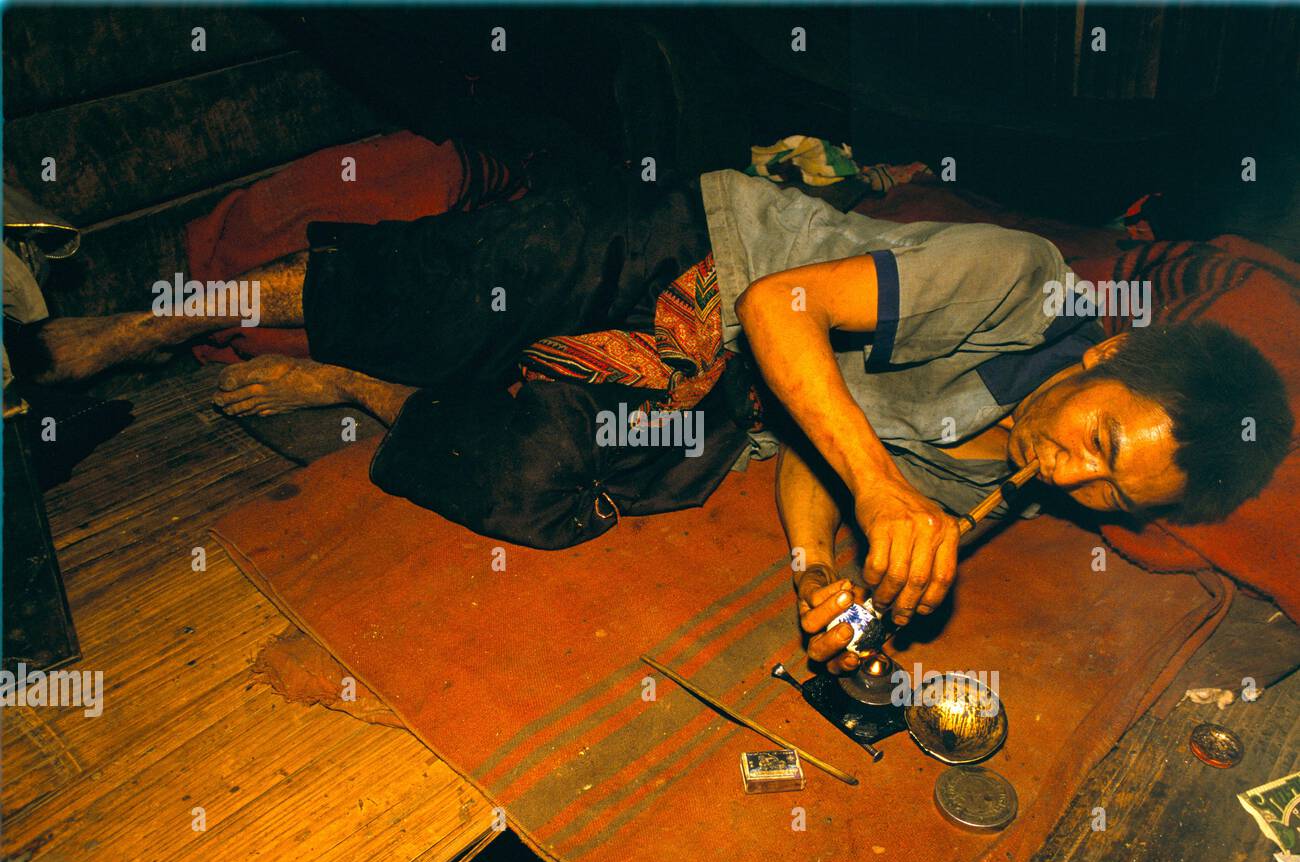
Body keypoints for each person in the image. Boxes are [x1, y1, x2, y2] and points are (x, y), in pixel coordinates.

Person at [16, 166, 1292, 672]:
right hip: (715, 251)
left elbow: (815, 454)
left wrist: (818, 569)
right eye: (1103, 439)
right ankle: (159, 320)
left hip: (748, 398)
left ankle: (361, 388)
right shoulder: (1017, 279)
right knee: (471, 282)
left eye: (1110, 497)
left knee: (540, 491)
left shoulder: (999, 489)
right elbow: (789, 307)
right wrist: (883, 489)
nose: (1075, 474)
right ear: (1111, 351)